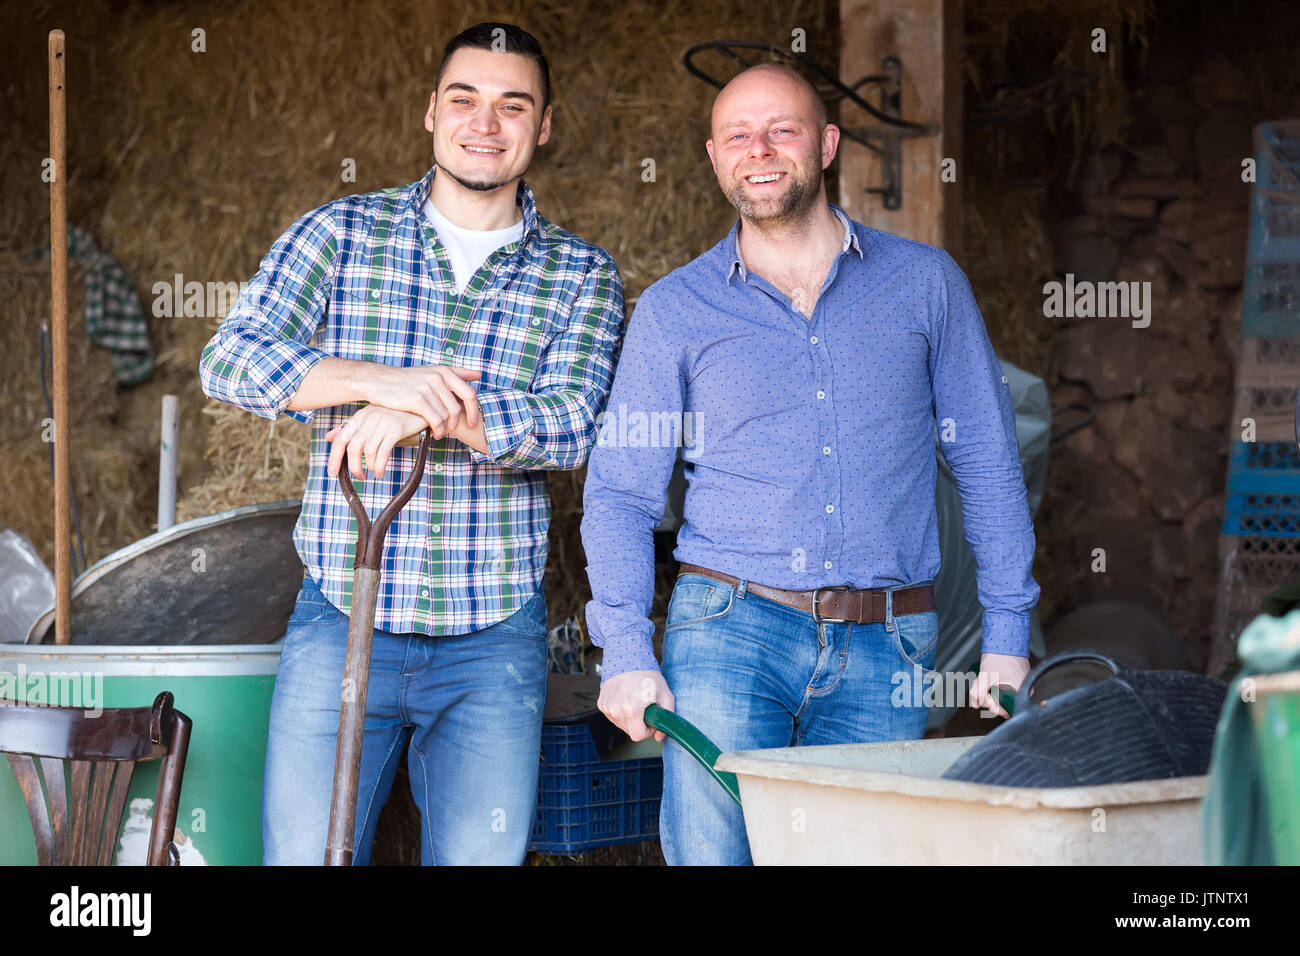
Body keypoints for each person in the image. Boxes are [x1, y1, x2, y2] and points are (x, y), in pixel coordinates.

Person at [580, 63, 1038, 865]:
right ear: (716, 158)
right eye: (737, 137)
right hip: (729, 629)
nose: (759, 150)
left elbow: (990, 463)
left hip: (889, 639)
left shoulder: (925, 285)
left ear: (825, 145)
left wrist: (1006, 631)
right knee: (714, 854)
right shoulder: (673, 311)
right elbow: (620, 494)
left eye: (781, 130)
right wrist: (625, 649)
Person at [199, 22, 625, 865]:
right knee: (304, 860)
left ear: (544, 127)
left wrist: (433, 410)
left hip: (493, 638)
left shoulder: (583, 274)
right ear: (431, 112)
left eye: (514, 105)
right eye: (464, 99)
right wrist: (378, 381)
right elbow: (230, 360)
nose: (485, 123)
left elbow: (575, 421)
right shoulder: (341, 235)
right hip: (342, 618)